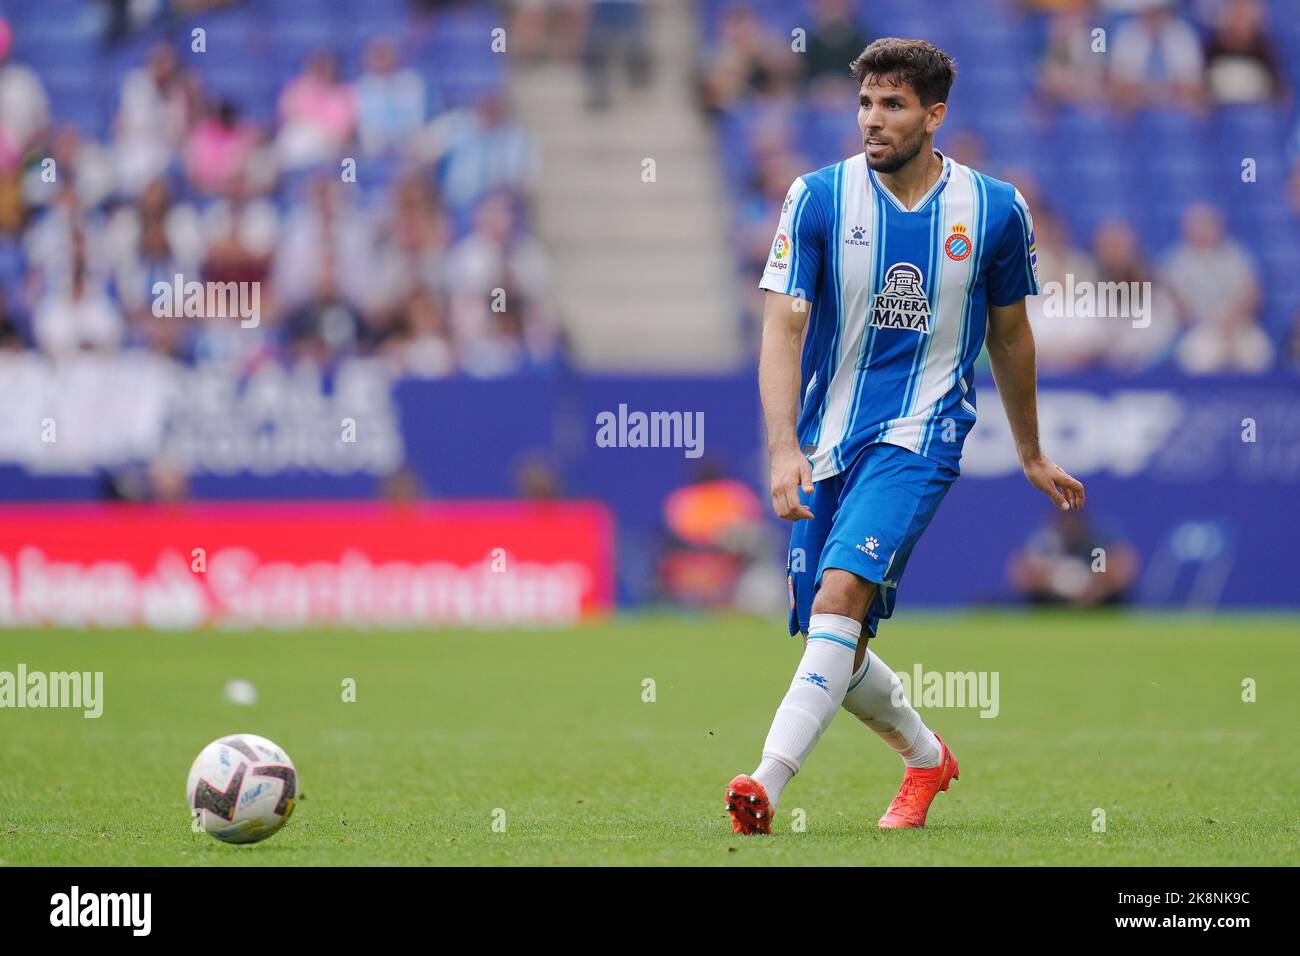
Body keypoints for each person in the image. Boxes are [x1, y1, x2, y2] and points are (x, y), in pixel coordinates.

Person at [726, 38, 1085, 835]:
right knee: (836, 639)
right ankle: (926, 758)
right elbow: (783, 326)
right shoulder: (817, 198)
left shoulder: (994, 209)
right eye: (864, 104)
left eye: (892, 105)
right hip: (825, 438)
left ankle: (767, 783)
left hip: (923, 434)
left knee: (839, 596)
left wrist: (1029, 448)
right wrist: (784, 449)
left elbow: (1012, 335)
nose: (873, 121)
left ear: (934, 115)